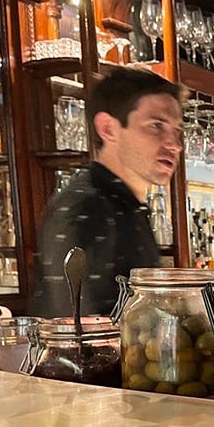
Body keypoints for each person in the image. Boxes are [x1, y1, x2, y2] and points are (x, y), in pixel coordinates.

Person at [30, 67, 184, 318]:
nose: (175, 145)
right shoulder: (85, 206)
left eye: (178, 131)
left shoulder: (126, 205)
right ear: (108, 129)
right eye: (157, 126)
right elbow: (80, 336)